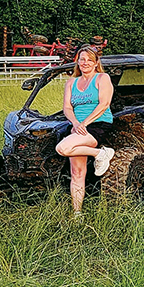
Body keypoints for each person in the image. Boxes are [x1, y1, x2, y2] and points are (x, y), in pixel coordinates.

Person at [55, 47, 115, 218]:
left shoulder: (102, 78)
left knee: (63, 149)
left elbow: (104, 104)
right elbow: (67, 107)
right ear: (78, 62)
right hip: (77, 127)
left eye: (89, 59)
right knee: (77, 172)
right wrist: (75, 123)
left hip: (98, 124)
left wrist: (84, 123)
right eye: (82, 59)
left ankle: (101, 153)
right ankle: (77, 213)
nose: (85, 63)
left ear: (96, 63)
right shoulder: (71, 82)